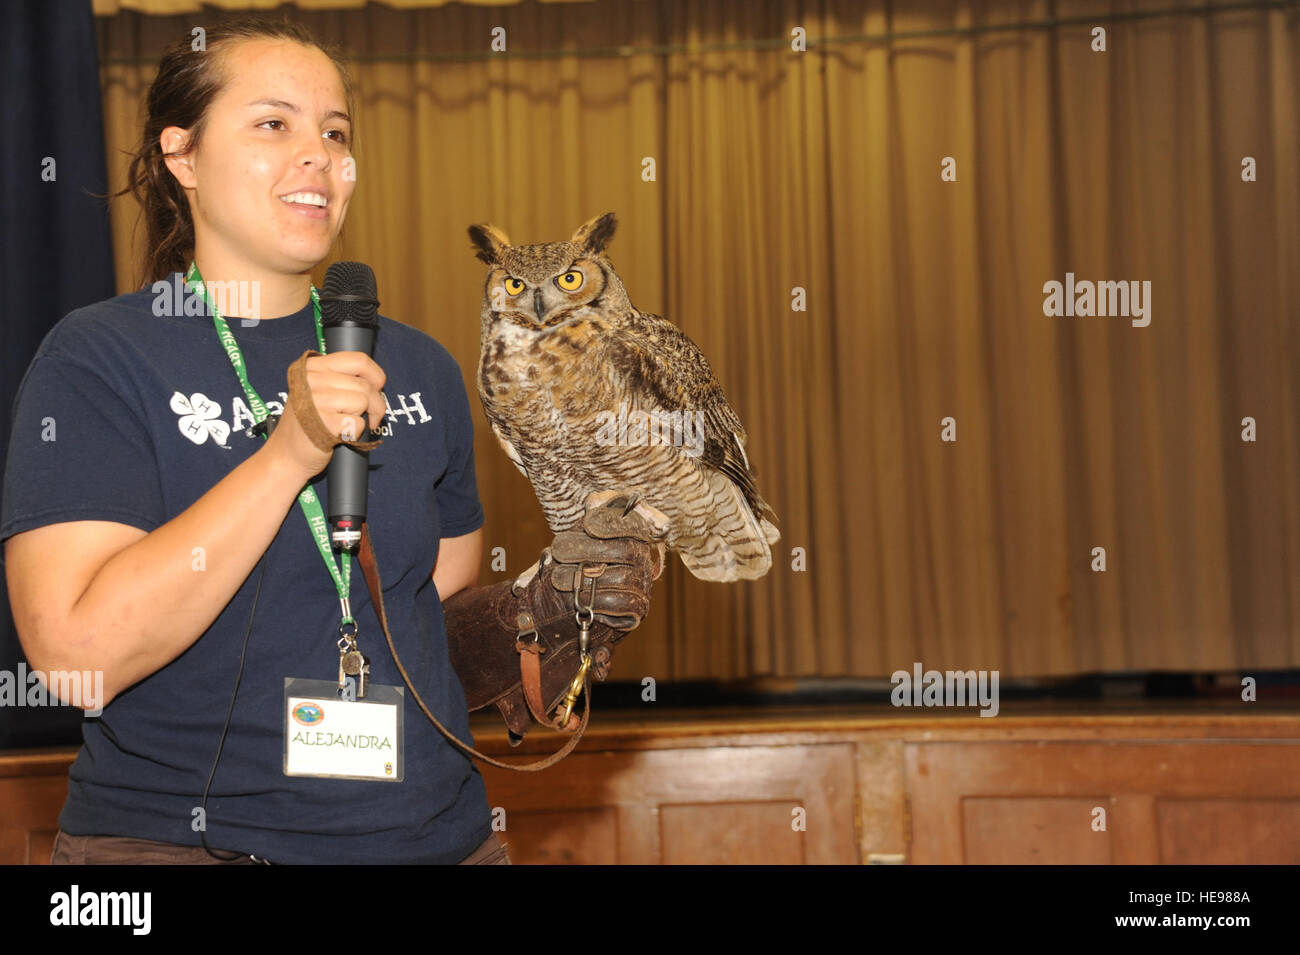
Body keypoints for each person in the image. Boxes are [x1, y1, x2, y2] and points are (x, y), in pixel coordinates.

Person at [1, 18, 658, 865]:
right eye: (274, 124)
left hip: (442, 841)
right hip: (188, 847)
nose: (319, 153)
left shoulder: (417, 362)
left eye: (336, 131)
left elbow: (437, 600)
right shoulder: (98, 356)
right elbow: (74, 653)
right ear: (183, 156)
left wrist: (543, 614)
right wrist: (285, 457)